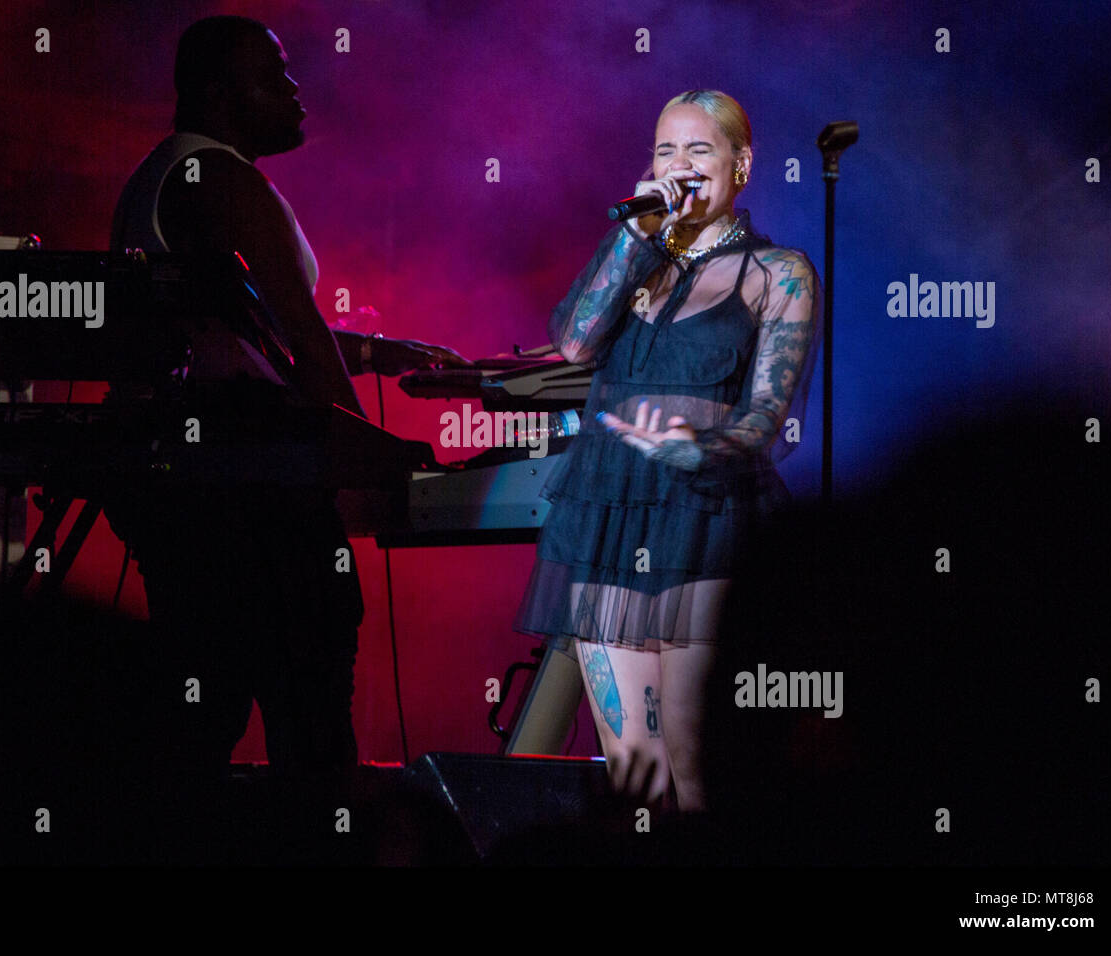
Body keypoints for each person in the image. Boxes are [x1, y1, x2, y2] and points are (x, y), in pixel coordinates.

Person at [106, 15, 467, 792]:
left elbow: (245, 325)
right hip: (257, 497)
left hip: (198, 489)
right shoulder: (224, 179)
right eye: (275, 74)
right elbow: (300, 348)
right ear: (219, 91)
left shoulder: (164, 174)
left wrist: (376, 351)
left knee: (203, 714)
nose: (297, 89)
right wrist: (370, 461)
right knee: (311, 734)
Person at [514, 90, 820, 812]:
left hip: (706, 516)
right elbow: (575, 341)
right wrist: (636, 235)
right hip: (608, 513)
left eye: (699, 150)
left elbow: (766, 416)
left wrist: (700, 447)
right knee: (636, 778)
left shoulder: (779, 272)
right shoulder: (636, 258)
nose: (678, 166)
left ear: (741, 166)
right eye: (664, 151)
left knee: (696, 762)